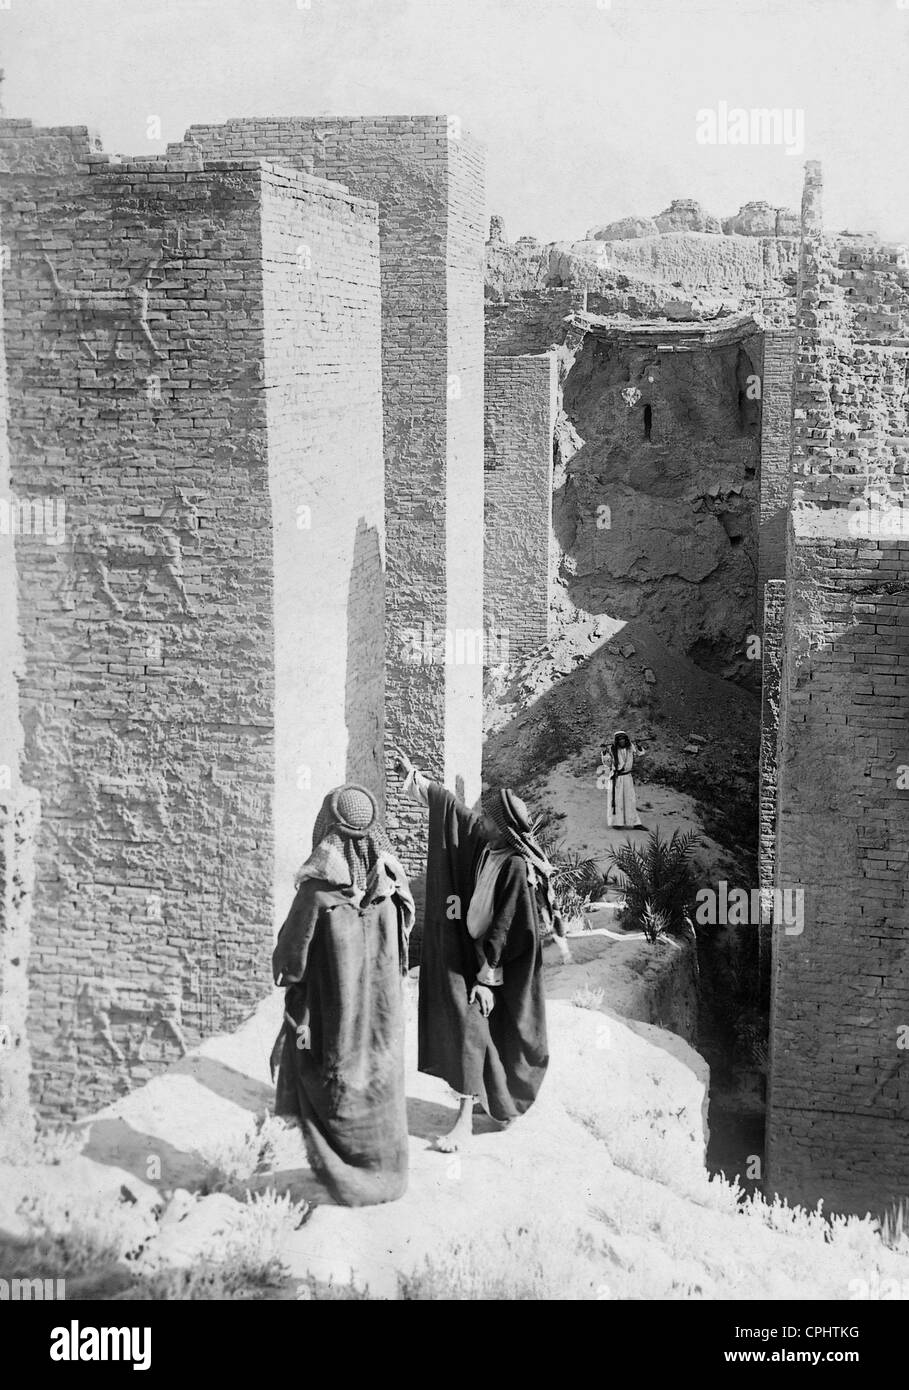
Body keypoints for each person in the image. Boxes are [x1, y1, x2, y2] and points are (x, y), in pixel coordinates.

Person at [394, 748, 560, 1151]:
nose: (480, 821)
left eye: (487, 818)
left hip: (496, 964)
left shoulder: (516, 868)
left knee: (473, 1027)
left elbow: (507, 927)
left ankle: (463, 1123)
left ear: (503, 829)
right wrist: (415, 777)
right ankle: (490, 1102)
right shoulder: (489, 845)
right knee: (474, 1030)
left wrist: (488, 979)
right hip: (473, 951)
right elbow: (454, 813)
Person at [270, 784, 414, 1206]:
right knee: (379, 1081)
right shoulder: (391, 885)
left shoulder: (318, 892)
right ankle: (385, 1174)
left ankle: (347, 1176)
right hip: (383, 1011)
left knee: (330, 1075)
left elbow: (290, 960)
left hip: (335, 1011)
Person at [602, 730, 647, 830]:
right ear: (617, 741)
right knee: (617, 800)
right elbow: (607, 764)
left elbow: (640, 753)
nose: (622, 741)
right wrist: (605, 752)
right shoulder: (612, 749)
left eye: (623, 739)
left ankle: (635, 823)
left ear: (626, 739)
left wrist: (639, 745)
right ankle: (617, 823)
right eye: (619, 739)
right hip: (616, 778)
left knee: (630, 799)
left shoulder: (630, 747)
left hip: (627, 777)